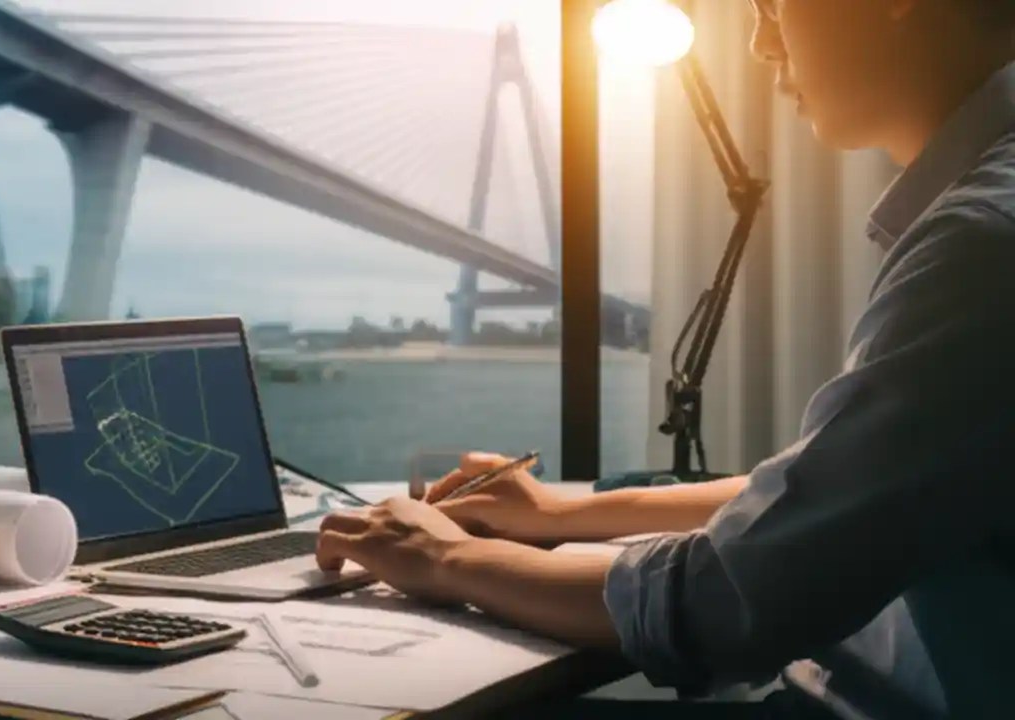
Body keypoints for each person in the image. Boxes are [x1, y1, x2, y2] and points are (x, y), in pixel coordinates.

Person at [315, 1, 1015, 718]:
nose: (759, 43)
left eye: (771, 5)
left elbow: (730, 599)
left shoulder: (982, 246)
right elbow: (832, 497)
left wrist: (444, 559)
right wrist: (558, 512)